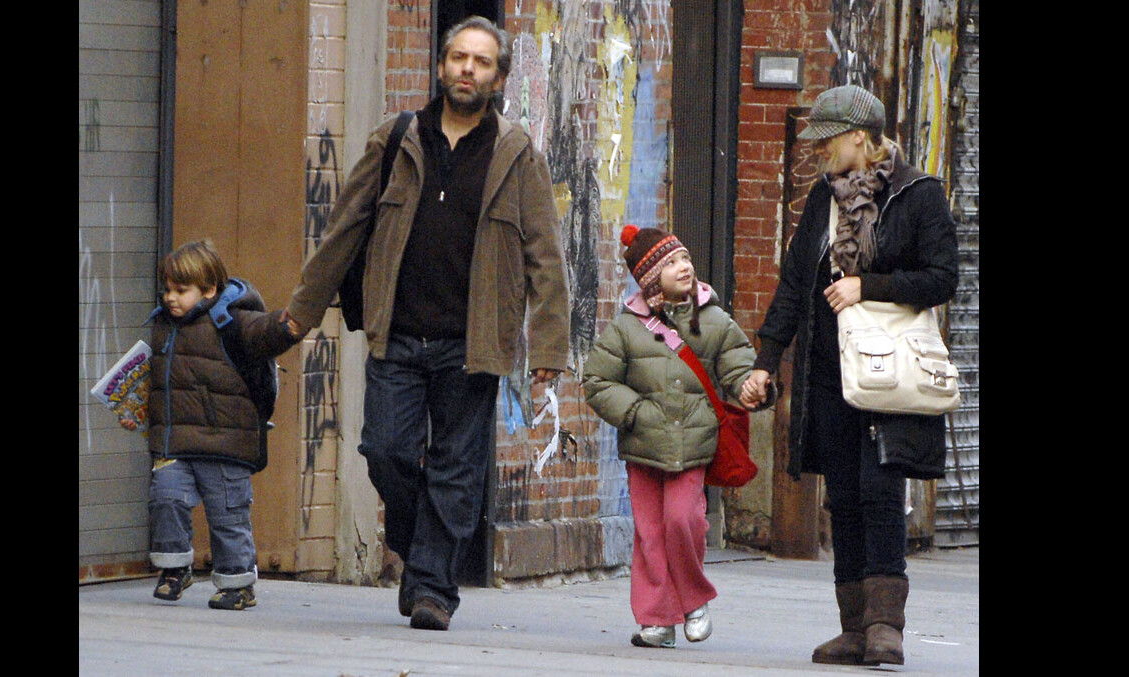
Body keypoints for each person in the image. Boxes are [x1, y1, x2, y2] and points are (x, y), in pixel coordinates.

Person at [279, 16, 570, 631]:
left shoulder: (517, 155)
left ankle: (433, 589)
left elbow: (545, 255)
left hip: (474, 342)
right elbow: (345, 229)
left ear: (499, 76)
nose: (468, 69)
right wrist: (302, 312)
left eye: (482, 61)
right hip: (399, 333)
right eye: (458, 57)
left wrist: (548, 345)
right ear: (440, 67)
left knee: (457, 470)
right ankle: (423, 556)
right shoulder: (396, 139)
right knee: (384, 451)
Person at [738, 84, 959, 666]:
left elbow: (941, 279)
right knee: (843, 497)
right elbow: (792, 287)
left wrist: (870, 286)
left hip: (891, 372)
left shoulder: (918, 195)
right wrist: (764, 364)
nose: (817, 155)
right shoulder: (822, 201)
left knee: (880, 488)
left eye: (826, 143)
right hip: (828, 373)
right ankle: (854, 628)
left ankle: (886, 625)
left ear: (860, 139)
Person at [582, 225, 770, 649]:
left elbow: (737, 368)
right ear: (651, 280)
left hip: (694, 445)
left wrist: (751, 388)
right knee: (650, 533)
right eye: (670, 263)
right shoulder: (627, 328)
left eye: (683, 258)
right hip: (643, 446)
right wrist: (634, 412)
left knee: (684, 521)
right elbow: (596, 380)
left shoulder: (715, 321)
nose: (683, 267)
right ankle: (656, 619)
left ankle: (693, 598)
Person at [120, 240, 299, 610]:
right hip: (175, 442)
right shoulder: (163, 327)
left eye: (180, 291)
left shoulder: (233, 321)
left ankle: (237, 583)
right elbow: (155, 385)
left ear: (209, 290)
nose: (171, 298)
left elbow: (265, 332)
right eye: (167, 289)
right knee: (165, 498)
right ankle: (174, 568)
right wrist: (134, 413)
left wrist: (290, 324)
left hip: (225, 443)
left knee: (228, 515)